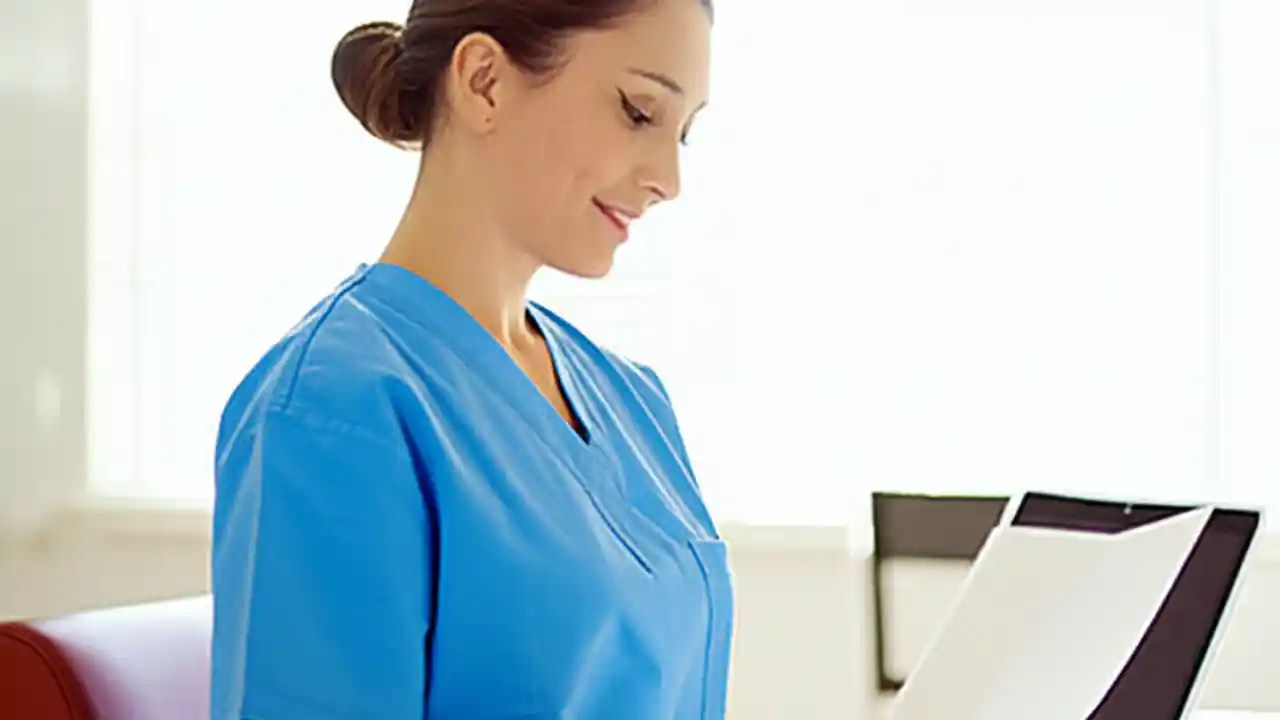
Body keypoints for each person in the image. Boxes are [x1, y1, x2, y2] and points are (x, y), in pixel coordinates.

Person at [209, 0, 730, 717]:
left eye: (685, 132)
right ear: (485, 80)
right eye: (639, 112)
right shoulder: (334, 412)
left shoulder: (634, 402)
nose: (668, 179)